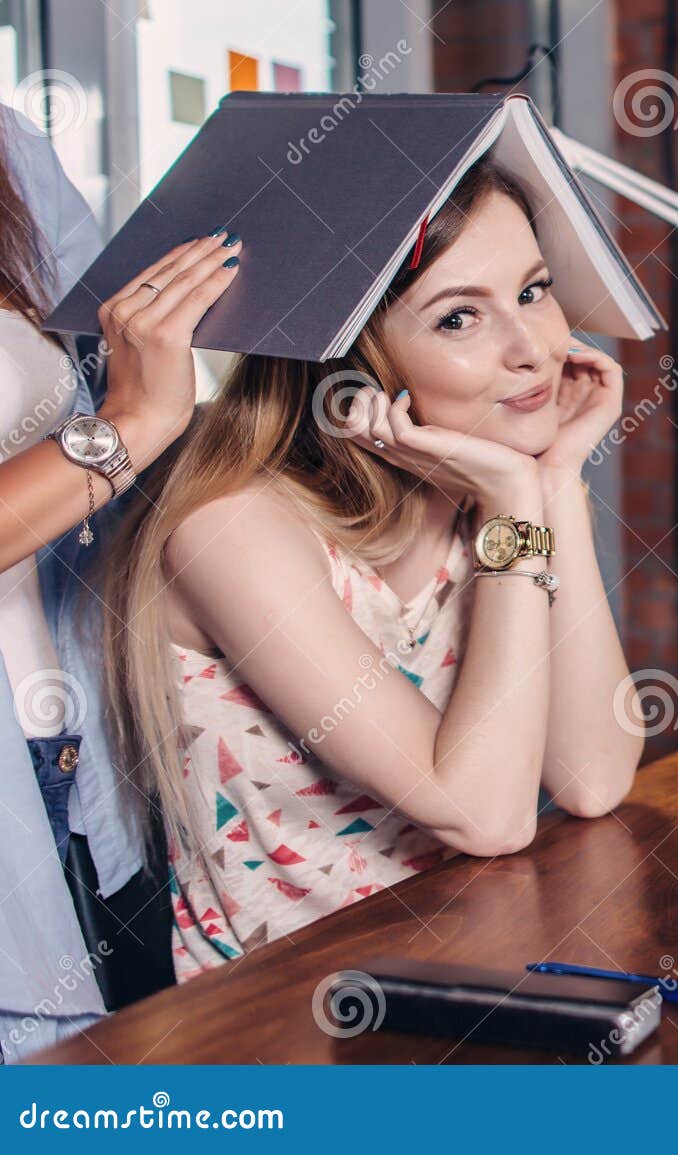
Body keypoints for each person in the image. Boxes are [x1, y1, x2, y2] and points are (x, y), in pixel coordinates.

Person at [103, 158, 642, 980]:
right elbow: (487, 817)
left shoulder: (487, 498)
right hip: (285, 1020)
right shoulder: (233, 526)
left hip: (474, 966)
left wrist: (555, 480)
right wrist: (514, 505)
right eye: (460, 318)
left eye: (533, 291)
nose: (533, 349)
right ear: (354, 364)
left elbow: (592, 775)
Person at [0, 104, 233, 1059]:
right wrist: (133, 424)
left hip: (72, 743)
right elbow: (131, 419)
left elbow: (123, 391)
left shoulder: (10, 149)